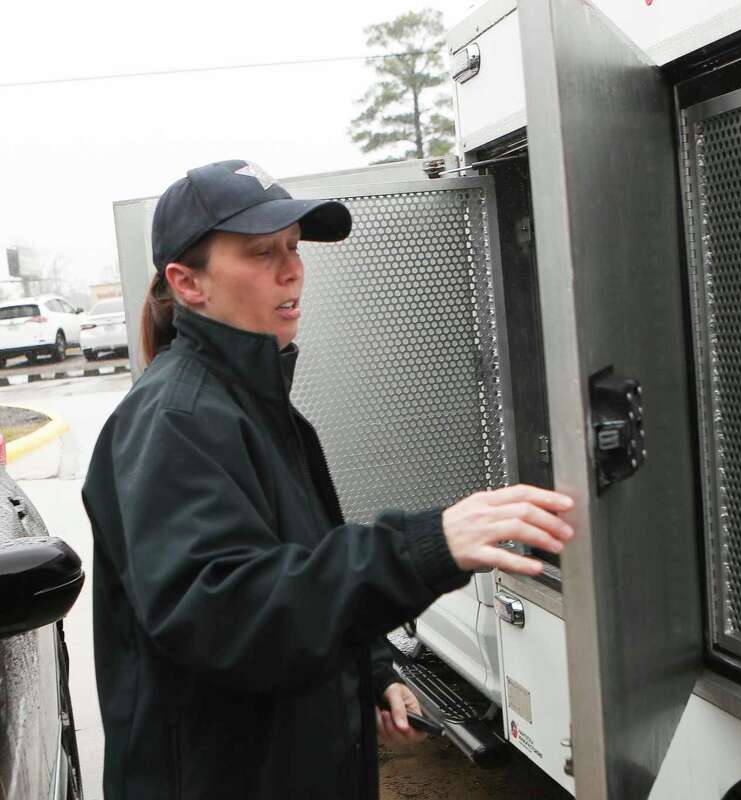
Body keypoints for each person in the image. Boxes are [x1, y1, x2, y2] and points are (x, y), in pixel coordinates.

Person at [82, 159, 574, 800]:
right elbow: (226, 614)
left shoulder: (253, 404)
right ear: (188, 282)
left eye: (293, 248)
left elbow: (300, 562)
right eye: (261, 253)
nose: (291, 269)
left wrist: (373, 673)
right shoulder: (174, 421)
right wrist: (421, 548)